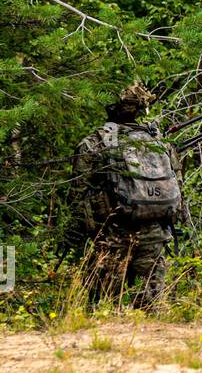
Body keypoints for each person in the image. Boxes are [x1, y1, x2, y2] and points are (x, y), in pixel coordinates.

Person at [72, 82, 183, 308]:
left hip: (114, 235)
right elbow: (177, 185)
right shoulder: (158, 141)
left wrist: (85, 232)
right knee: (151, 306)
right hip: (155, 232)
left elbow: (78, 194)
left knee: (105, 307)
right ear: (140, 110)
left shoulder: (95, 143)